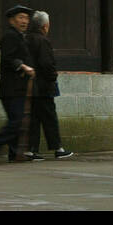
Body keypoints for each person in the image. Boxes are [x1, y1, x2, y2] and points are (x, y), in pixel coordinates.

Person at [0, 5, 34, 162]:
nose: (24, 21)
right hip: (11, 87)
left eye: (26, 18)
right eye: (21, 17)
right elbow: (8, 58)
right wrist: (23, 66)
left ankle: (14, 153)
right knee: (17, 120)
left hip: (18, 86)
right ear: (12, 20)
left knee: (17, 120)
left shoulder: (20, 36)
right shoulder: (10, 36)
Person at [25, 10, 73, 160]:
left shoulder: (27, 39)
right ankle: (58, 148)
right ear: (44, 26)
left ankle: (31, 150)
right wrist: (53, 77)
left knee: (34, 119)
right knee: (50, 118)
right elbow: (47, 64)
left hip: (31, 86)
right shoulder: (42, 41)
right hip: (44, 86)